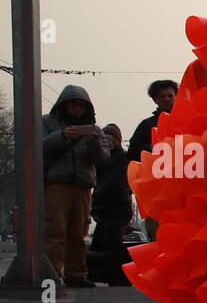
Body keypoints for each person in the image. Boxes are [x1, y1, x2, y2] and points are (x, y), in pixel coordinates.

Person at [41, 85, 110, 287]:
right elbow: (39, 147)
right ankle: (52, 276)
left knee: (78, 234)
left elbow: (103, 159)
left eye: (81, 106)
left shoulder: (94, 129)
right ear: (64, 105)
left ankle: (76, 275)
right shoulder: (47, 123)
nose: (77, 109)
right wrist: (63, 136)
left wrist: (94, 143)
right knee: (55, 232)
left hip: (82, 187)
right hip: (56, 185)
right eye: (73, 105)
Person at [127, 79, 178, 242]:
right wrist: (152, 150)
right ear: (155, 99)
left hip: (182, 187)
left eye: (171, 95)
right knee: (158, 234)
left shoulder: (185, 120)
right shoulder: (146, 125)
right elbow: (133, 153)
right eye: (162, 96)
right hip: (156, 190)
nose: (167, 99)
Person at [90, 123, 133, 285]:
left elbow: (120, 182)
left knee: (112, 242)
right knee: (103, 243)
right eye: (105, 137)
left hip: (118, 206)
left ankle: (120, 278)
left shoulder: (124, 157)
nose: (108, 140)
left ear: (118, 140)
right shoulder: (100, 159)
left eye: (112, 137)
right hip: (105, 207)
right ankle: (108, 276)